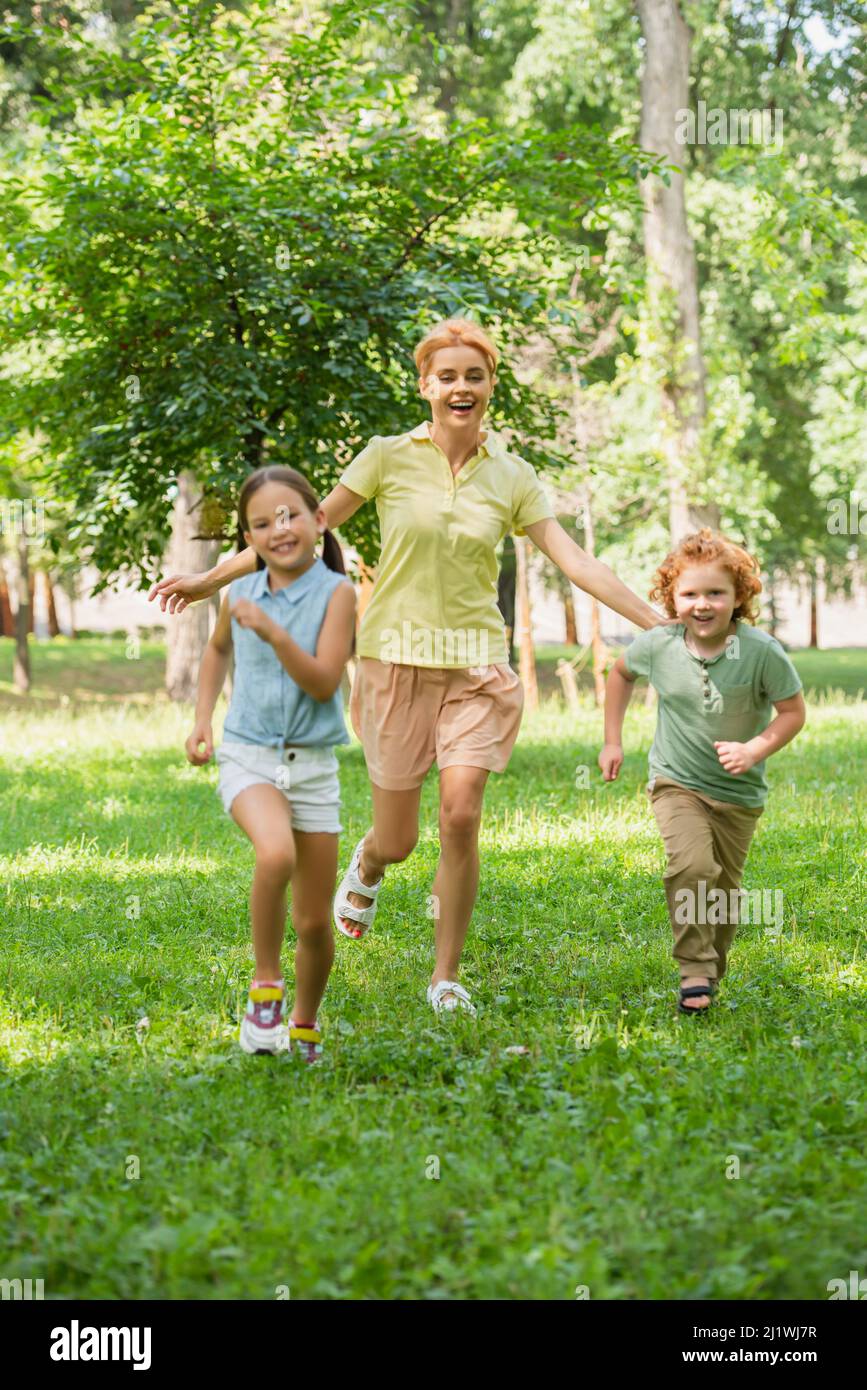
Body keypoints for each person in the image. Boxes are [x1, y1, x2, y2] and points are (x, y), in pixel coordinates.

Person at [155, 317, 666, 1018]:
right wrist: (211, 578)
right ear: (426, 387)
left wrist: (654, 621)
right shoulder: (386, 457)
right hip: (394, 662)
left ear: (490, 388)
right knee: (398, 838)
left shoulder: (513, 477)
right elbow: (303, 530)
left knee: (460, 814)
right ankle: (368, 865)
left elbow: (573, 560)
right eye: (447, 376)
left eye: (474, 376)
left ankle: (445, 975)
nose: (461, 387)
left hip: (476, 667)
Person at [185, 466, 356, 1059]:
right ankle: (266, 990)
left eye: (288, 516)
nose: (277, 530)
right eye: (260, 524)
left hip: (312, 767)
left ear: (318, 519)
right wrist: (203, 719)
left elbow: (323, 680)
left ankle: (304, 1023)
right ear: (249, 538)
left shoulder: (339, 594)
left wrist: (278, 634)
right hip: (249, 755)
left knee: (313, 923)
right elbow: (216, 652)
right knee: (274, 851)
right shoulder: (238, 594)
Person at [598, 529, 806, 1013]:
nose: (703, 604)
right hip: (677, 782)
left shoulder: (762, 652)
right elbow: (620, 673)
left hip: (739, 793)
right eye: (690, 593)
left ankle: (711, 971)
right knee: (693, 867)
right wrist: (613, 739)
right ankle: (694, 968)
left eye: (716, 592)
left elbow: (793, 713)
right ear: (671, 597)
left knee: (726, 892)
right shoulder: (659, 644)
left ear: (739, 597)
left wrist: (754, 749)